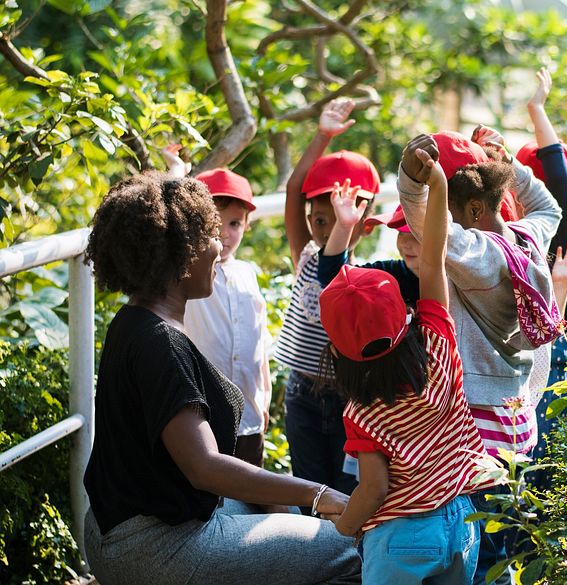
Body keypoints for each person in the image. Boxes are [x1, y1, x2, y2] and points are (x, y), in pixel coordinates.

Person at [82, 172, 361, 585]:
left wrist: (293, 499)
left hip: (115, 529)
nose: (218, 246)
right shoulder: (162, 344)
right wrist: (317, 493)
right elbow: (204, 467)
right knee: (352, 549)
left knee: (273, 510)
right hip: (152, 548)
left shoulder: (133, 320)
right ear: (178, 257)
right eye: (207, 235)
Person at [317, 146, 498, 584]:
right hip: (460, 524)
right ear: (405, 313)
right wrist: (433, 184)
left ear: (339, 352)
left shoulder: (362, 413)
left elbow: (374, 488)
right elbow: (435, 258)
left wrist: (340, 529)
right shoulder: (439, 345)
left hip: (400, 538)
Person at [396, 129, 561, 585]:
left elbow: (425, 227)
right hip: (517, 420)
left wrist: (410, 182)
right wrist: (509, 164)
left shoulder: (479, 256)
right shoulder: (528, 240)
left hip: (478, 423)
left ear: (471, 210)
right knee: (503, 538)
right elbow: (550, 207)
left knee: (477, 546)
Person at [273, 98, 380, 504]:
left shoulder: (368, 279)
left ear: (364, 226)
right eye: (320, 219)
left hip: (346, 398)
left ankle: (345, 565)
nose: (327, 228)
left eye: (341, 218)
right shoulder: (305, 256)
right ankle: (312, 563)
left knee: (346, 494)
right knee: (309, 491)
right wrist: (322, 136)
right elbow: (293, 191)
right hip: (302, 393)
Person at [514, 68, 567, 491]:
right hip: (524, 375)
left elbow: (557, 181)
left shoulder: (561, 238)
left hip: (548, 378)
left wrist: (537, 109)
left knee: (537, 479)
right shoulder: (518, 236)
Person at [179, 168, 273, 475]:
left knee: (253, 485)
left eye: (235, 224)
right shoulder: (189, 273)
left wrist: (266, 394)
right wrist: (177, 172)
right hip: (207, 413)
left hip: (250, 414)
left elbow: (259, 339)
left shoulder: (247, 273)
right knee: (214, 487)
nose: (225, 233)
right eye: (215, 223)